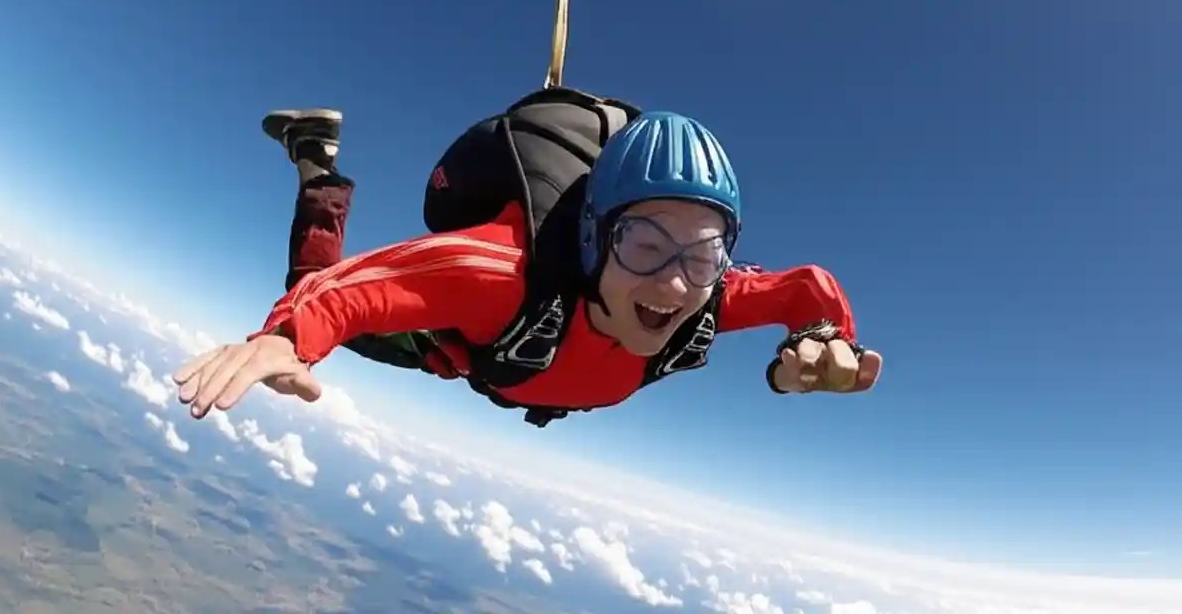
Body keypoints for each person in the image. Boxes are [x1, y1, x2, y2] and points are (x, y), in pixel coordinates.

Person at [173, 88, 883, 428]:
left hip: (522, 373)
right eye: (642, 241)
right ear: (591, 235)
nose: (674, 279)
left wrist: (826, 338)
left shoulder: (707, 294)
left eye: (703, 255)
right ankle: (315, 161)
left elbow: (807, 287)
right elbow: (347, 291)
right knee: (305, 281)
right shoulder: (501, 276)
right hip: (450, 347)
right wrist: (288, 338)